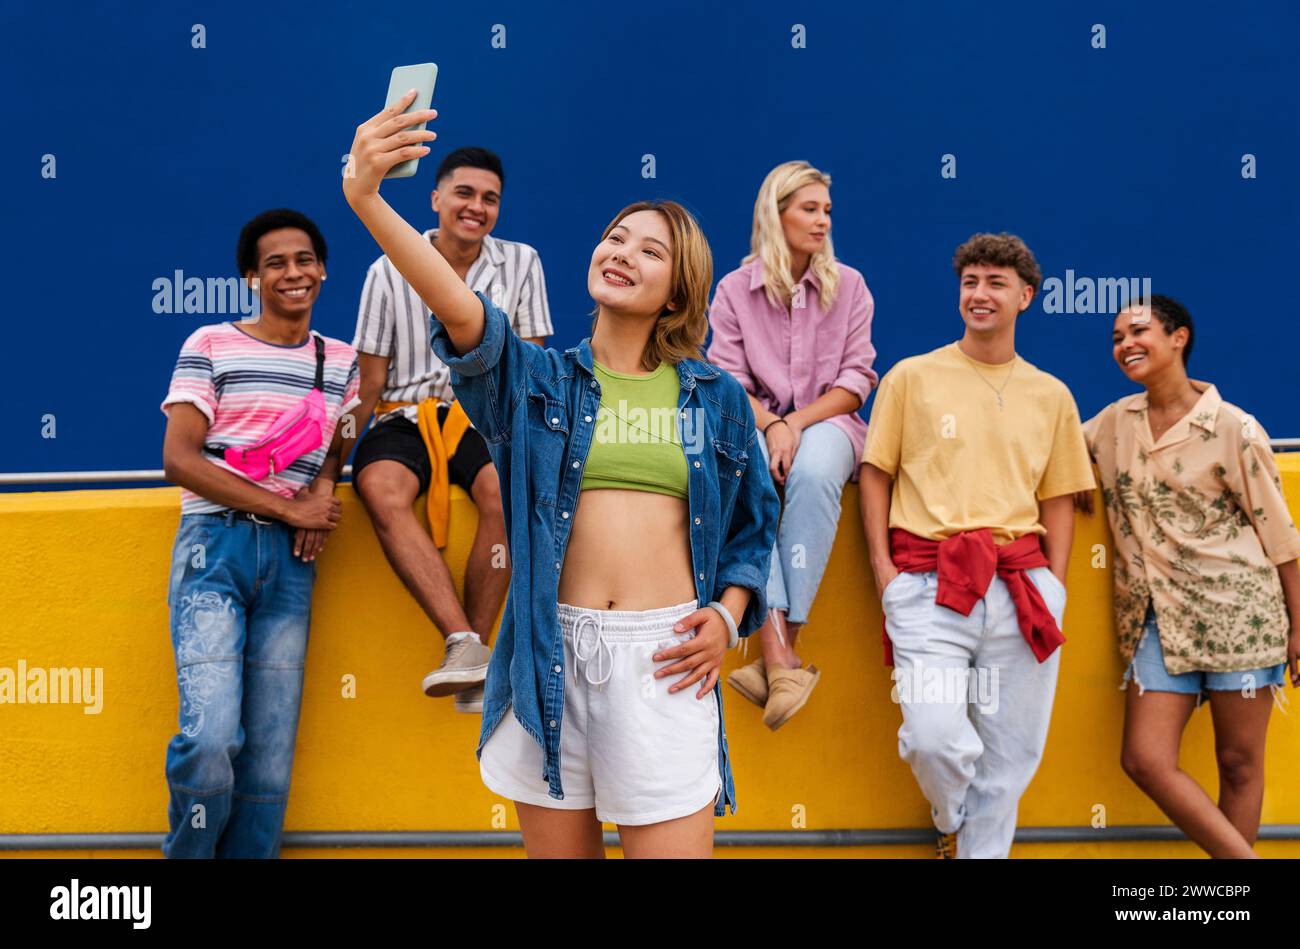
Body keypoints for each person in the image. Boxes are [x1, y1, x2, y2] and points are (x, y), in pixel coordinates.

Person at [342, 91, 779, 858]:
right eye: (615, 237)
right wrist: (368, 198)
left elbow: (753, 525)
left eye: (650, 250)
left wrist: (728, 614)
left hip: (666, 661)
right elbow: (459, 307)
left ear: (678, 290)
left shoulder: (717, 399)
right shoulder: (538, 382)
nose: (622, 252)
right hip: (550, 655)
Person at [859, 232, 1095, 858]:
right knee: (934, 737)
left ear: (1026, 296)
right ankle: (950, 815)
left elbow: (1060, 496)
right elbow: (875, 473)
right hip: (929, 587)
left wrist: (1056, 584)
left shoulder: (1052, 395)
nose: (980, 294)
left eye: (995, 283)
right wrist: (885, 572)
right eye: (970, 282)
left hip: (1023, 590)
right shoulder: (912, 377)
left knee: (1011, 758)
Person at [159, 209, 360, 858]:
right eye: (275, 263)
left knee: (269, 765)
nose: (293, 273)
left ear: (323, 270)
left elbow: (339, 439)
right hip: (212, 549)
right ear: (251, 277)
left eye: (304, 260)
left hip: (290, 567)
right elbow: (180, 459)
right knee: (213, 739)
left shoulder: (342, 361)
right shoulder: (211, 343)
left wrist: (325, 485)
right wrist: (289, 510)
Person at [1077, 296, 1300, 858]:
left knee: (1239, 763)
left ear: (1179, 338)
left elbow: (1280, 537)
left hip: (1240, 613)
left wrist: (1299, 626)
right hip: (1156, 618)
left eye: (1138, 331)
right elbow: (1054, 454)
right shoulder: (1113, 422)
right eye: (1116, 337)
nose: (1124, 344)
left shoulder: (1233, 428)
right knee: (1145, 759)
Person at [349, 146, 553, 712]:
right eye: (464, 193)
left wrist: (535, 445)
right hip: (405, 415)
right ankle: (463, 643)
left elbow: (531, 363)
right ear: (436, 198)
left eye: (490, 199)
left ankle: (478, 651)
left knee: (502, 491)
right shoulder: (387, 266)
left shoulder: (522, 261)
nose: (476, 207)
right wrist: (324, 472)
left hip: (485, 414)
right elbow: (368, 385)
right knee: (380, 489)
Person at [708, 160, 877, 730]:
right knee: (750, 470)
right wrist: (772, 424)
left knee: (814, 471)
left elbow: (856, 382)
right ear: (775, 214)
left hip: (828, 424)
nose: (823, 220)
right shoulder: (734, 290)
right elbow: (725, 381)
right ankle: (784, 661)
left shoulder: (849, 285)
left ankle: (777, 651)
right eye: (810, 208)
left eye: (827, 209)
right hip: (754, 423)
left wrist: (796, 423)